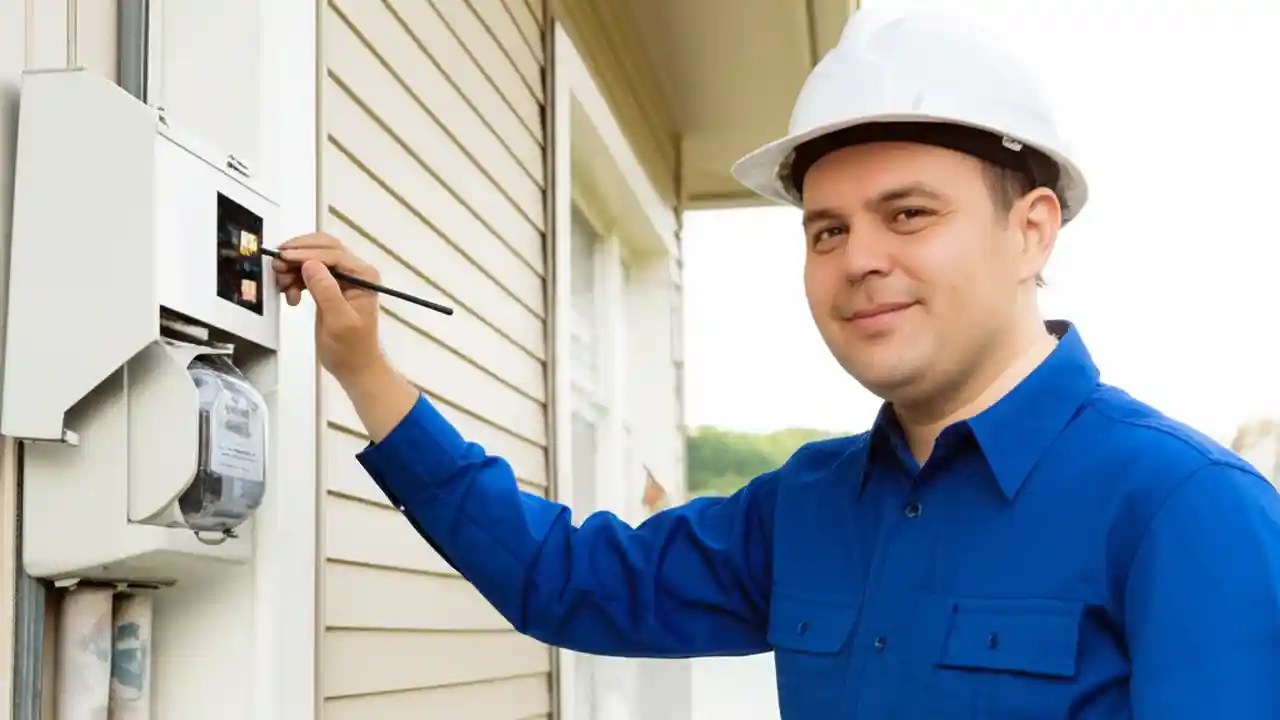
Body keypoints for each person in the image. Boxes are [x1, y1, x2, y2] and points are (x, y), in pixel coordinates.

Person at [273, 8, 1280, 719]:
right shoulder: (804, 506)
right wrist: (364, 367)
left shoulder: (1184, 508)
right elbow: (561, 579)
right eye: (825, 230)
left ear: (1030, 233)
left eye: (908, 215)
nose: (859, 261)